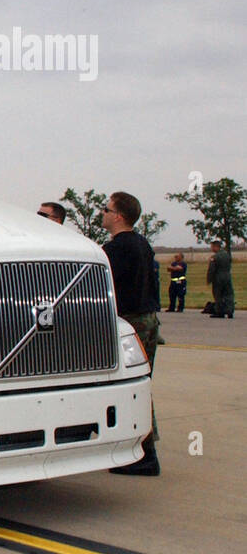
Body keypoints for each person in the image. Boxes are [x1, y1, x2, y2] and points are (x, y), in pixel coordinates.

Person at [102, 191, 161, 475]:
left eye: (106, 209)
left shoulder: (117, 249)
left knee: (132, 389)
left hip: (131, 322)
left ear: (118, 216)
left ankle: (144, 454)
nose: (102, 213)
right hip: (147, 319)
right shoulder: (142, 244)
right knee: (141, 385)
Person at [208, 241, 235, 318]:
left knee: (218, 294)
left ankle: (219, 311)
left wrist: (209, 279)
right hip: (227, 276)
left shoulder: (215, 257)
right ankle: (230, 311)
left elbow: (212, 269)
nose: (211, 248)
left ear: (216, 247)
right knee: (229, 294)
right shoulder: (227, 255)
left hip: (218, 277)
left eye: (212, 247)